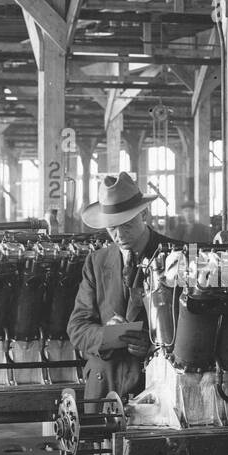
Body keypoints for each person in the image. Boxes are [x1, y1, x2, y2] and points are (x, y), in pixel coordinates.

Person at [67, 172, 172, 403]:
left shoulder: (176, 255)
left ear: (144, 214)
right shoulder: (96, 262)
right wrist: (106, 335)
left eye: (126, 224)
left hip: (156, 386)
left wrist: (152, 342)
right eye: (111, 227)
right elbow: (77, 327)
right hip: (104, 387)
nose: (119, 234)